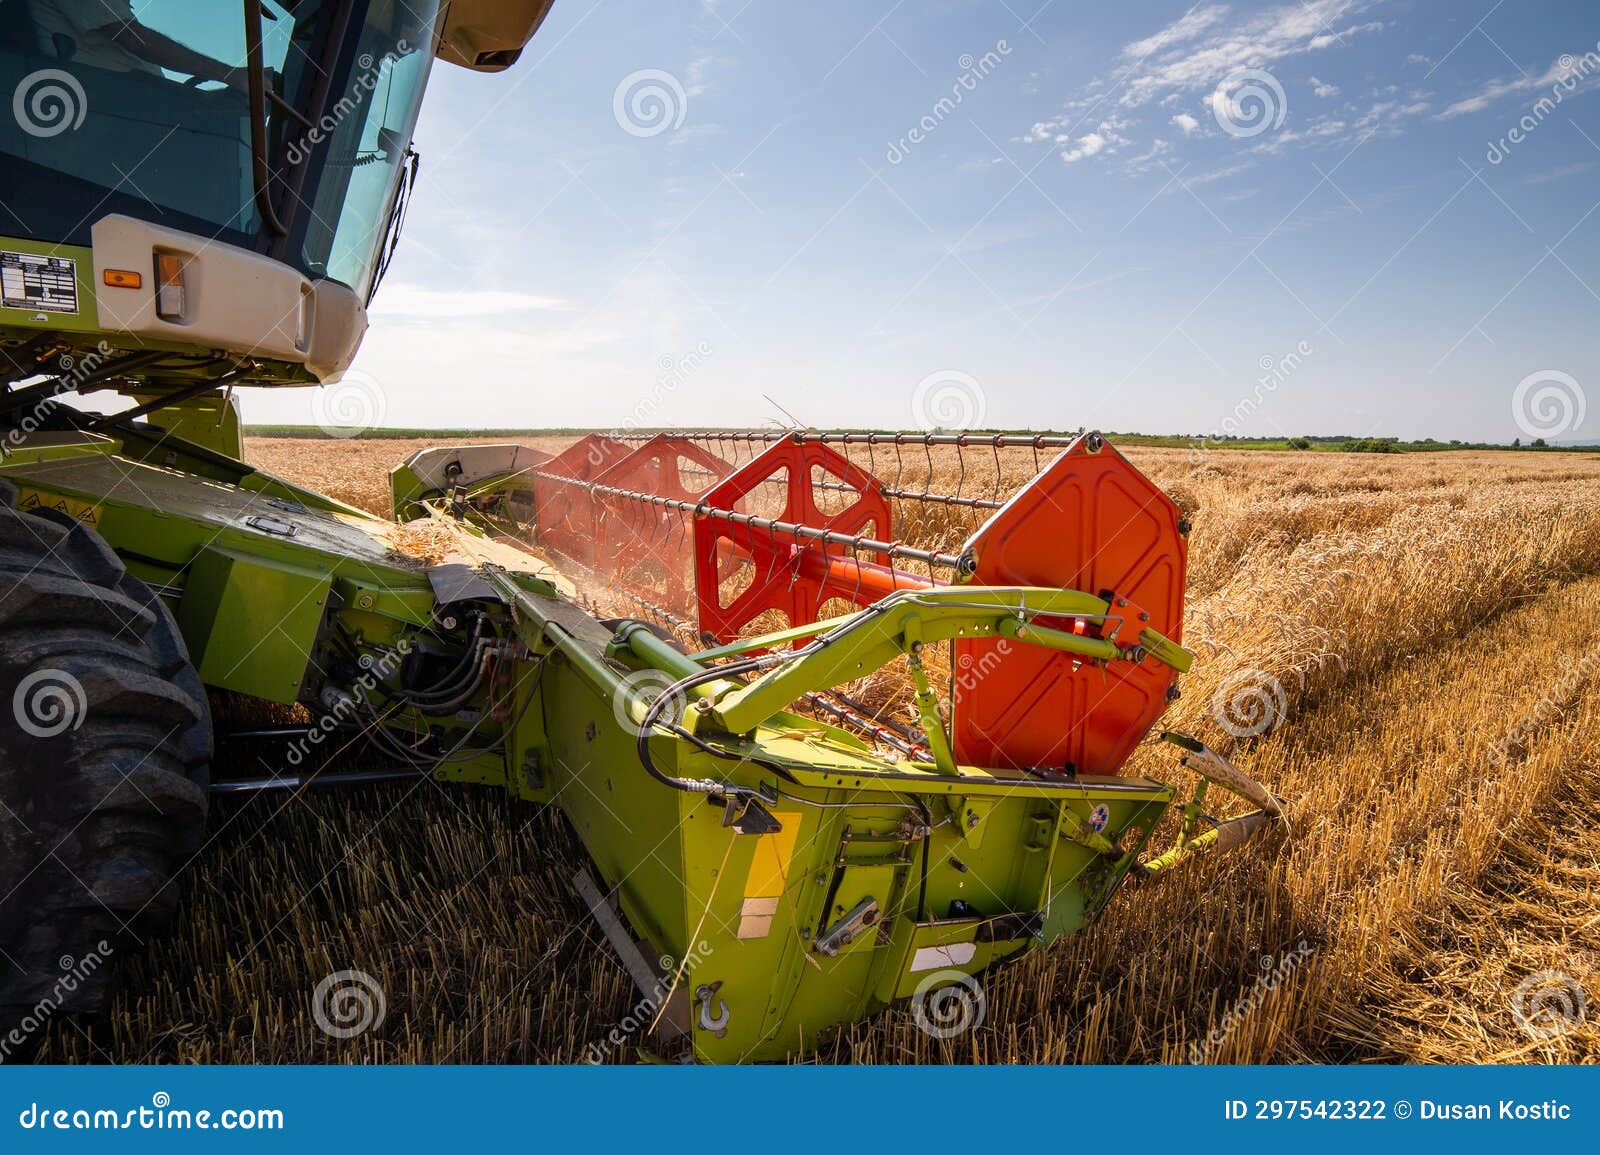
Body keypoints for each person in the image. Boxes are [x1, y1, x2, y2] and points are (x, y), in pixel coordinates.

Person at [29, 0, 249, 91]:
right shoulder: (114, 17)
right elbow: (137, 41)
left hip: (132, 117)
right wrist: (228, 74)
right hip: (97, 124)